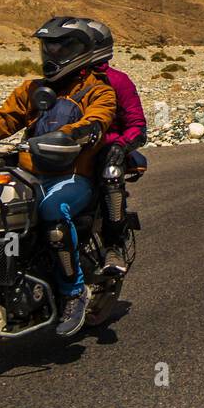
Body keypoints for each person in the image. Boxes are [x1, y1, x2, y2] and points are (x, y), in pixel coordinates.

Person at [0, 17, 116, 336]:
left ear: (80, 51)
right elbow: (4, 119)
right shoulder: (34, 89)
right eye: (47, 46)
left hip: (73, 174)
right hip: (29, 171)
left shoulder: (98, 91)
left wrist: (74, 133)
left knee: (53, 211)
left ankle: (73, 292)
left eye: (60, 46)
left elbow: (98, 119)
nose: (51, 53)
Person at [90, 48, 147, 277]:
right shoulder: (57, 83)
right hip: (64, 151)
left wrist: (120, 147)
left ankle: (113, 245)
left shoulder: (116, 81)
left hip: (105, 151)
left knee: (110, 173)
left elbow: (137, 125)